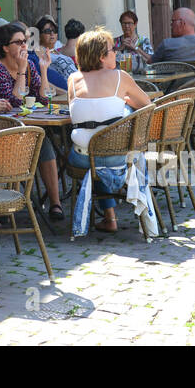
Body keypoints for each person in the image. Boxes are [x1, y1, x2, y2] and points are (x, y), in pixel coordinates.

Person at [67, 27, 153, 234]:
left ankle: (109, 217)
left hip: (82, 159)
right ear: (100, 57)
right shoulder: (120, 77)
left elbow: (74, 117)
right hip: (117, 158)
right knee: (110, 138)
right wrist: (125, 103)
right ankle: (135, 211)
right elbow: (147, 104)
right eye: (112, 50)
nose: (116, 52)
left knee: (97, 144)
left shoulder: (73, 79)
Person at [0, 21, 64, 220]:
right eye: (18, 42)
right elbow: (15, 100)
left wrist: (43, 70)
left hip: (25, 126)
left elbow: (45, 98)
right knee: (36, 141)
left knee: (44, 143)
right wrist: (20, 70)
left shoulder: (29, 66)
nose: (23, 46)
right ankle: (7, 202)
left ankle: (55, 203)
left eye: (25, 42)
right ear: (5, 47)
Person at [32, 15, 76, 92]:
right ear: (39, 35)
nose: (52, 34)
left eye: (54, 30)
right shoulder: (39, 53)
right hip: (68, 92)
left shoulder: (56, 50)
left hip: (78, 86)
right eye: (47, 31)